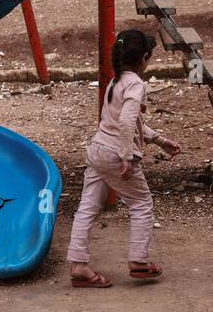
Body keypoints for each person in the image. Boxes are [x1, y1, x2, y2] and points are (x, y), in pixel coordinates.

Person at [66, 29, 182, 287]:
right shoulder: (136, 84)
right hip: (115, 154)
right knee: (141, 204)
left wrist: (160, 141)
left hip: (98, 150)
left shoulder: (115, 82)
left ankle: (78, 265)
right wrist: (126, 156)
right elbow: (127, 121)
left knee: (88, 206)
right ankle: (139, 262)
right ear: (144, 57)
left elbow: (131, 122)